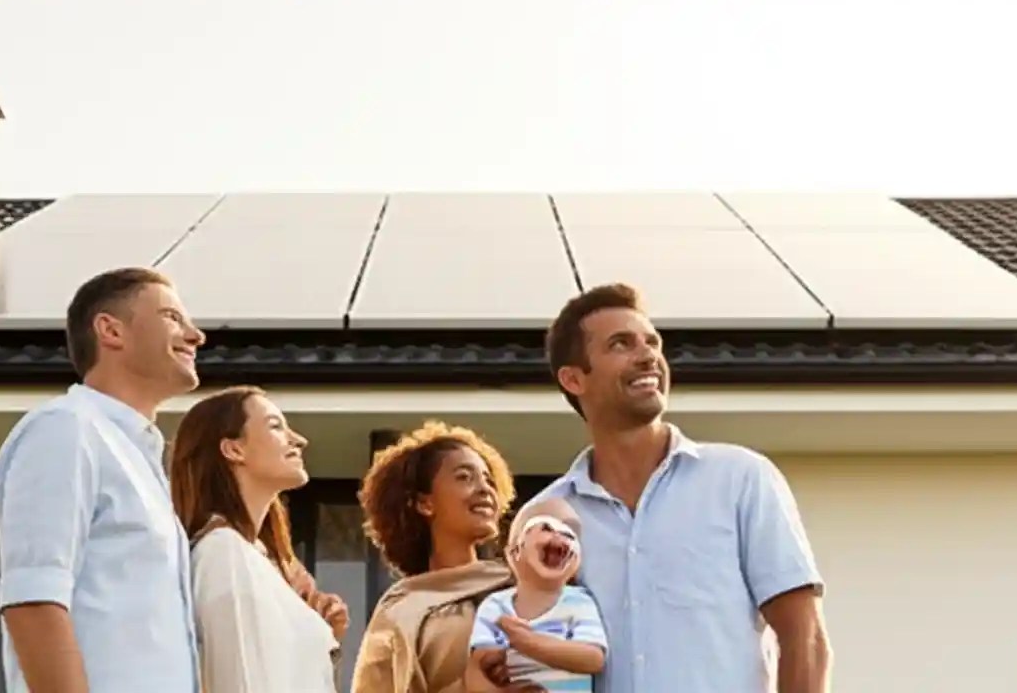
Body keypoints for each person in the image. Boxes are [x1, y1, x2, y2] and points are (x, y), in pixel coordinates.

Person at [522, 283, 833, 693]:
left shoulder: (741, 479)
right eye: (621, 344)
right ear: (574, 379)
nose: (648, 355)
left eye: (653, 343)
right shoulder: (546, 519)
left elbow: (805, 638)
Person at [0, 267, 206, 693]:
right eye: (172, 317)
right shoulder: (66, 430)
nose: (196, 335)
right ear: (111, 330)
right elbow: (34, 601)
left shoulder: (138, 459)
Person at [170, 385, 349, 692]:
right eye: (276, 426)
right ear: (233, 449)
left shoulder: (258, 561)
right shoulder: (223, 553)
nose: (299, 440)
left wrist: (319, 629)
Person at [350, 421, 537, 693]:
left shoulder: (523, 582)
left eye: (488, 479)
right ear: (425, 503)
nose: (485, 489)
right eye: (464, 477)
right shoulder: (401, 610)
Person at [465, 496, 608, 692]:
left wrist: (527, 642)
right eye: (546, 528)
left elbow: (593, 659)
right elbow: (478, 670)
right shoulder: (495, 606)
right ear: (514, 552)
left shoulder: (580, 602)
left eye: (570, 535)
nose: (560, 537)